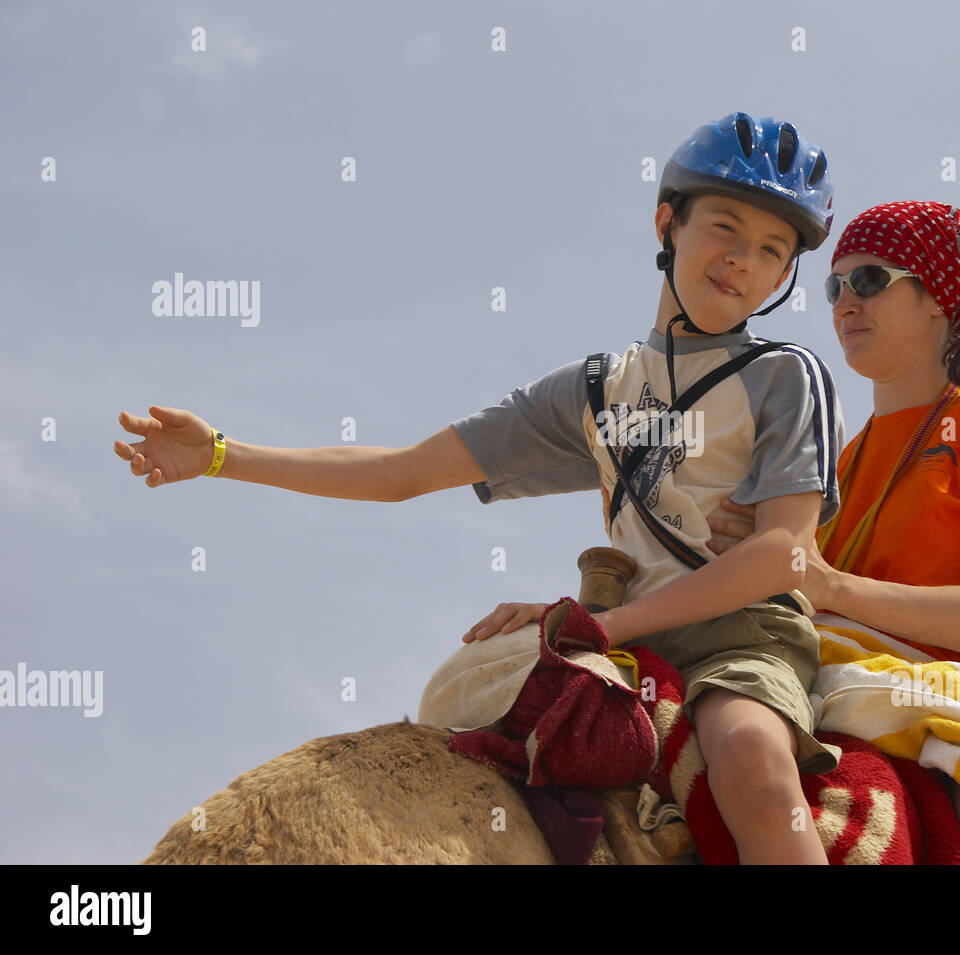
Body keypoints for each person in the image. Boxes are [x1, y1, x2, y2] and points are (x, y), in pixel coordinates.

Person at [115, 113, 847, 865]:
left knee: (751, 759)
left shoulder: (786, 377)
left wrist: (607, 625)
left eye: (772, 250)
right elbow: (403, 470)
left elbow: (783, 556)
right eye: (725, 227)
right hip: (618, 641)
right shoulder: (595, 390)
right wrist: (222, 456)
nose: (742, 261)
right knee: (454, 714)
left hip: (740, 640)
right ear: (667, 221)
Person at [706, 200, 960, 865]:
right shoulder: (829, 469)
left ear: (939, 299)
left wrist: (830, 585)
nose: (845, 302)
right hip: (847, 695)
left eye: (870, 280)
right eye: (834, 286)